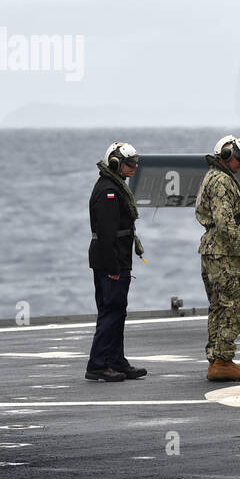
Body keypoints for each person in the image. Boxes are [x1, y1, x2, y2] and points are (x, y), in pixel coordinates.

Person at [85, 142, 147, 382]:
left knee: (117, 311)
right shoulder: (108, 190)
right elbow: (107, 232)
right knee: (110, 311)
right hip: (111, 261)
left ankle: (116, 360)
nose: (134, 167)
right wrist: (112, 268)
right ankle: (97, 364)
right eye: (130, 163)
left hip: (118, 258)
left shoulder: (115, 185)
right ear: (115, 163)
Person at [197, 135, 240, 381]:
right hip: (225, 254)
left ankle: (217, 359)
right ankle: (222, 360)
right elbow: (225, 221)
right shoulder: (221, 181)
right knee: (234, 304)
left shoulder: (212, 177)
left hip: (213, 251)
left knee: (219, 307)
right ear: (226, 155)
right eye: (238, 159)